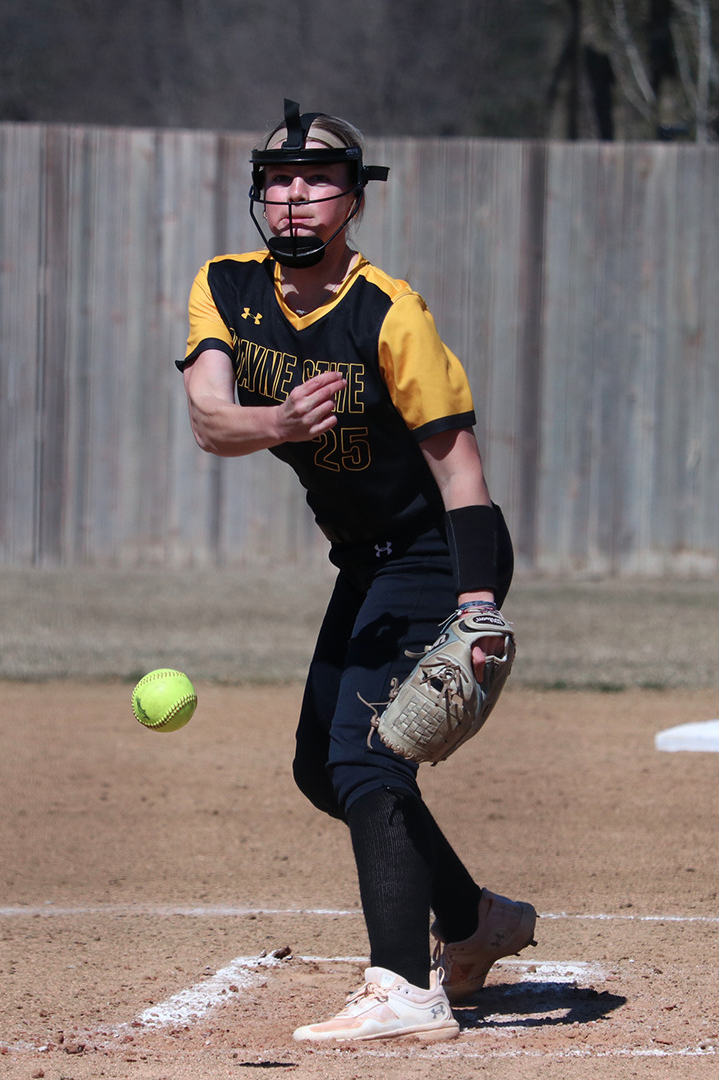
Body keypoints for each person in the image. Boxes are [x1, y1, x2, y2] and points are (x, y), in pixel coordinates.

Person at [177, 101, 536, 1044]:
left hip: (438, 549)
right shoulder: (225, 286)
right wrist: (282, 425)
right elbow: (212, 420)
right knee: (316, 766)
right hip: (366, 560)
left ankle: (406, 988)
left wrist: (476, 607)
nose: (296, 197)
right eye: (281, 179)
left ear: (353, 200)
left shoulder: (389, 312)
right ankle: (470, 921)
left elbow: (462, 471)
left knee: (367, 753)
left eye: (320, 179)